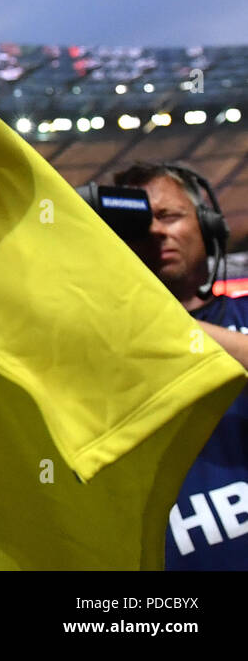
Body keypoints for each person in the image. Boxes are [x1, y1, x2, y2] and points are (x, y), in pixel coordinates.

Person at [112, 161, 248, 569]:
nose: (154, 231)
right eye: (136, 223)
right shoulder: (104, 348)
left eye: (168, 216)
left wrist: (158, 326)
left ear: (208, 227)